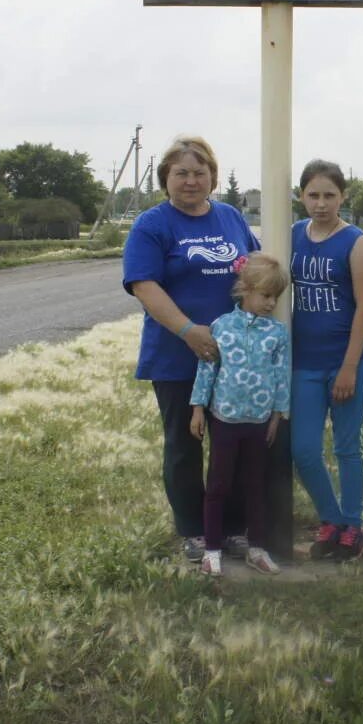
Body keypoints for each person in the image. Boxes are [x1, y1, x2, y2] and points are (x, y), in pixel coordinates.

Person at [122, 134, 259, 564]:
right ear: (166, 179)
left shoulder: (231, 218)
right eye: (181, 173)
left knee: (233, 442)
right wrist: (188, 331)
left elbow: (255, 271)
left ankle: (231, 526)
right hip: (176, 355)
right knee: (184, 444)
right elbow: (145, 286)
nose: (191, 181)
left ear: (213, 178)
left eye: (200, 173)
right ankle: (193, 529)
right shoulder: (152, 225)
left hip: (233, 360)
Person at [290, 160, 363, 561]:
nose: (321, 204)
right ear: (301, 195)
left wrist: (350, 366)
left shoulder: (354, 241)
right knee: (303, 449)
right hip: (303, 362)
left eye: (329, 195)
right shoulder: (291, 235)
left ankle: (353, 526)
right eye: (313, 195)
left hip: (347, 360)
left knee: (346, 447)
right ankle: (330, 517)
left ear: (343, 196)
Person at [190, 253, 292, 577]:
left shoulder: (277, 333)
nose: (271, 302)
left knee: (255, 486)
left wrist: (278, 414)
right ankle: (212, 550)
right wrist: (197, 409)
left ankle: (257, 547)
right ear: (244, 289)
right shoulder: (221, 327)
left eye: (276, 297)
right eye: (265, 295)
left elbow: (281, 375)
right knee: (218, 484)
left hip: (259, 422)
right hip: (225, 420)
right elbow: (207, 370)